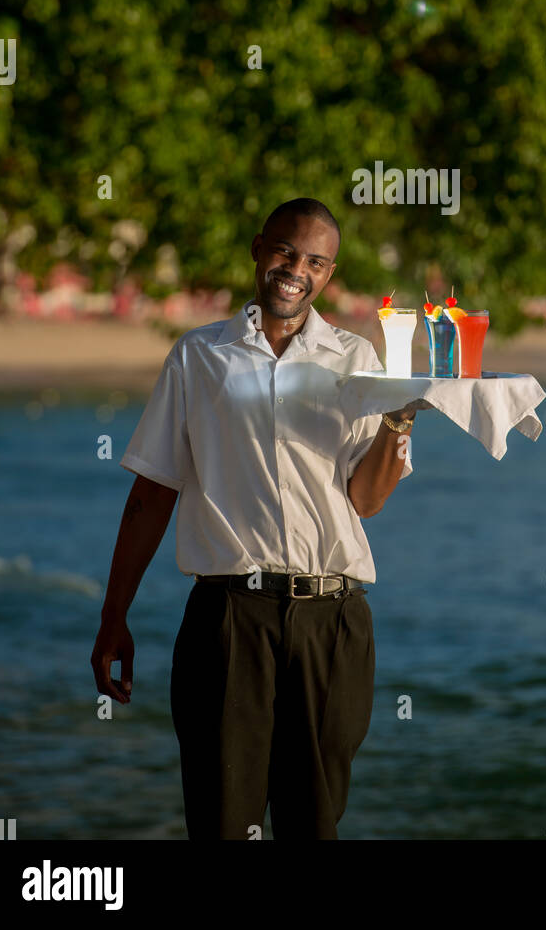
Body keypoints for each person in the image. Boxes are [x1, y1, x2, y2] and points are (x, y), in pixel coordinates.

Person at [90, 197, 424, 840]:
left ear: (329, 274)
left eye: (315, 261)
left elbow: (368, 499)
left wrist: (401, 414)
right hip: (226, 622)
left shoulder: (357, 360)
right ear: (257, 248)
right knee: (220, 825)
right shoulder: (198, 356)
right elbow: (150, 497)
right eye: (285, 251)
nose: (296, 268)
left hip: (333, 622)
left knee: (313, 827)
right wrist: (113, 616)